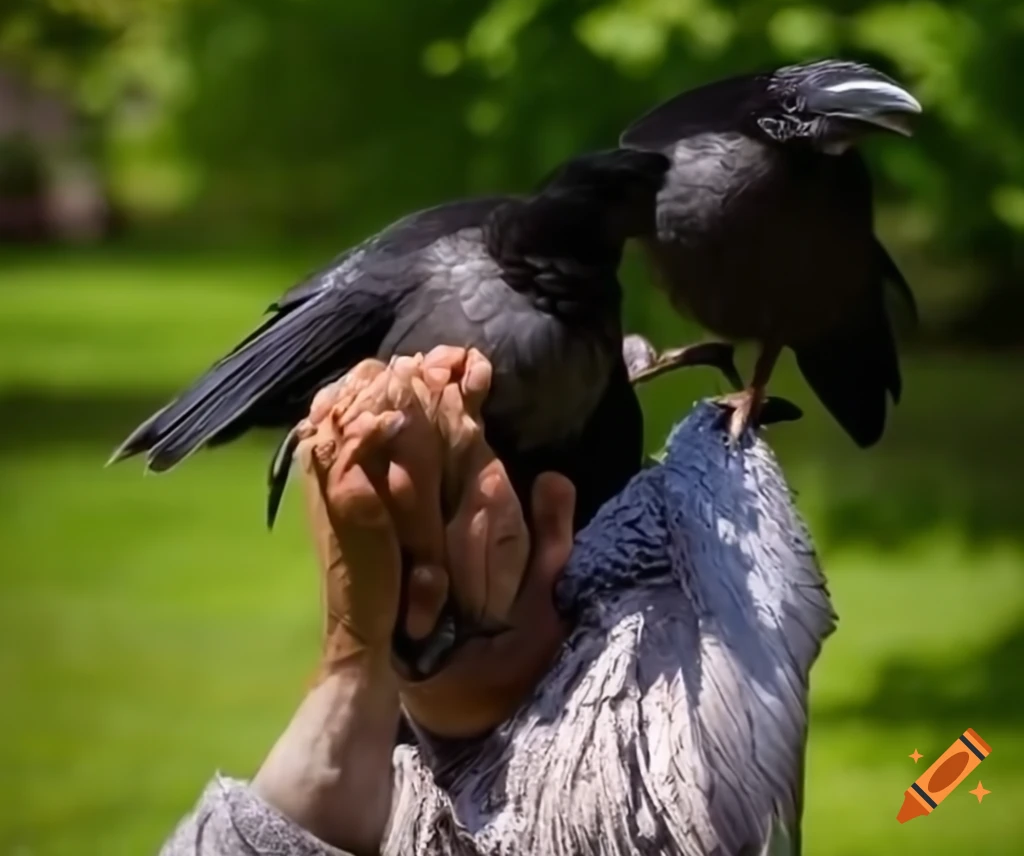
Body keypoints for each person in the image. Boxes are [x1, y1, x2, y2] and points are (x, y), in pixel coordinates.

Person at [161, 346, 835, 856]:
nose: (411, 577)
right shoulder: (389, 781)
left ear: (554, 522)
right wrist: (353, 663)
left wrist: (357, 663)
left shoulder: (669, 735)